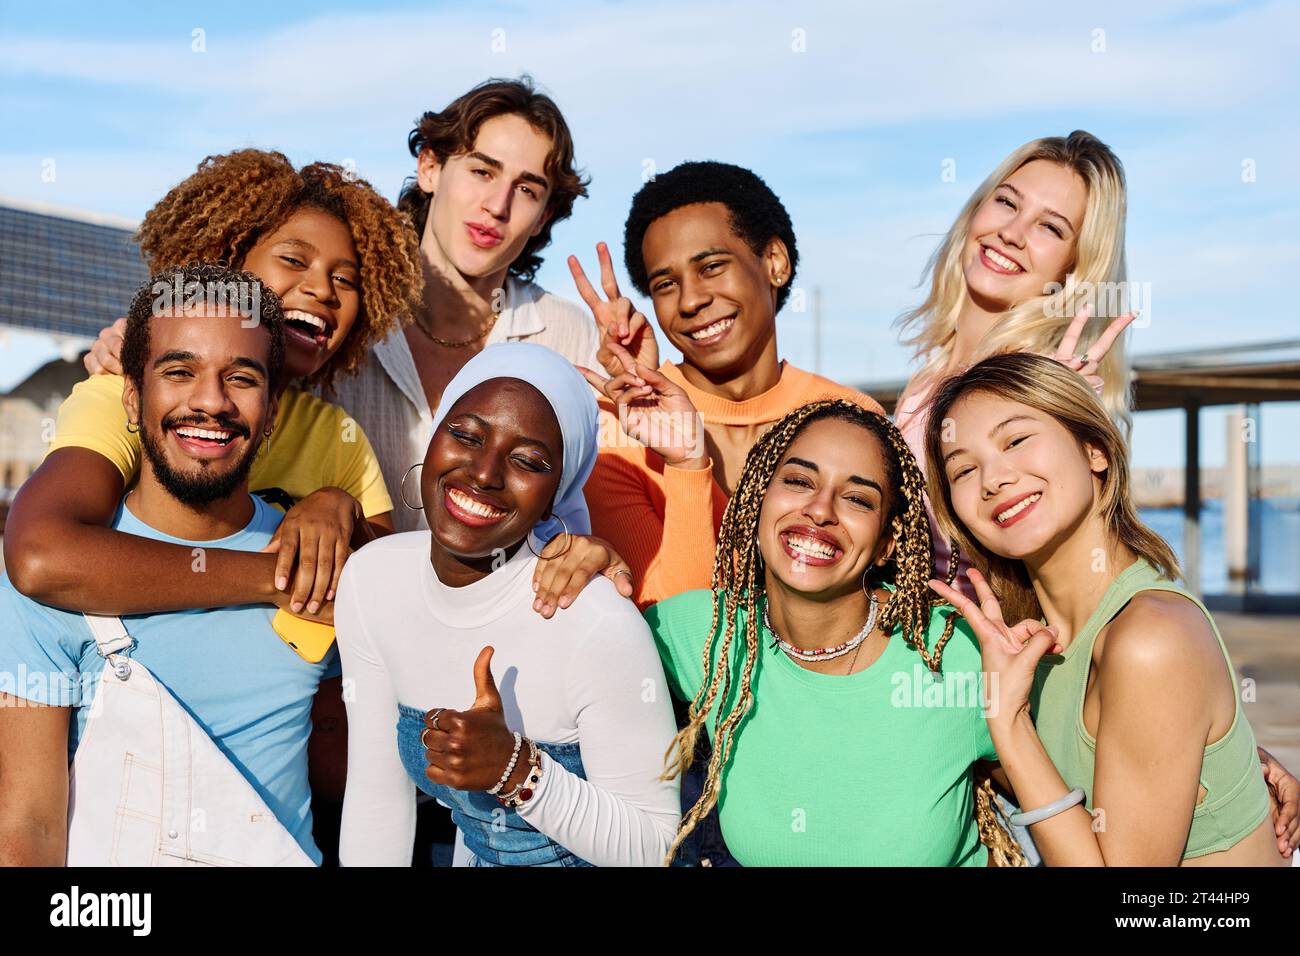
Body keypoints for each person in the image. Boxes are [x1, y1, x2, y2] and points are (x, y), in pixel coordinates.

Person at [0, 265, 338, 865]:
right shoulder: (51, 579)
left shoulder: (319, 554)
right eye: (179, 372)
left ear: (274, 411)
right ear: (132, 395)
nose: (211, 402)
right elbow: (28, 826)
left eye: (241, 377)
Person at [6, 149, 422, 622]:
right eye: (293, 259)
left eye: (346, 280)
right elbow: (40, 556)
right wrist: (272, 581)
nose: (324, 290)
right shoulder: (123, 395)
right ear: (225, 260)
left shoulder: (334, 434)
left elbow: (392, 592)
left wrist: (339, 508)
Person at [925, 353, 1299, 864]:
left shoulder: (1151, 638)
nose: (993, 478)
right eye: (963, 469)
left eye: (1015, 440)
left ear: (1095, 448)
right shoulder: (1020, 645)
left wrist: (1008, 722)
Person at [335, 343, 679, 867]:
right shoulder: (372, 579)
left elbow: (655, 848)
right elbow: (377, 800)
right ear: (433, 437)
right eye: (466, 436)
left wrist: (518, 771)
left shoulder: (594, 622)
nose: (485, 473)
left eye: (527, 461)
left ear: (556, 492)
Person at [646, 399, 1023, 865]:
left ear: (887, 542)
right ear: (758, 498)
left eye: (858, 499)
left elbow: (1070, 807)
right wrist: (582, 558)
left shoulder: (955, 651)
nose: (820, 510)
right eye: (799, 481)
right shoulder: (708, 635)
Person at [578, 160, 886, 610]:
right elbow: (676, 622)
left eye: (712, 267)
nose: (690, 300)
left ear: (774, 262)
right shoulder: (615, 431)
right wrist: (686, 466)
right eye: (665, 284)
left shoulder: (852, 417)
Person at [893, 131, 1137, 598]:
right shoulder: (933, 373)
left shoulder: (1035, 377)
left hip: (979, 650)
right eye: (1007, 203)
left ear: (1074, 267)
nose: (1012, 233)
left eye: (1051, 228)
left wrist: (1061, 405)